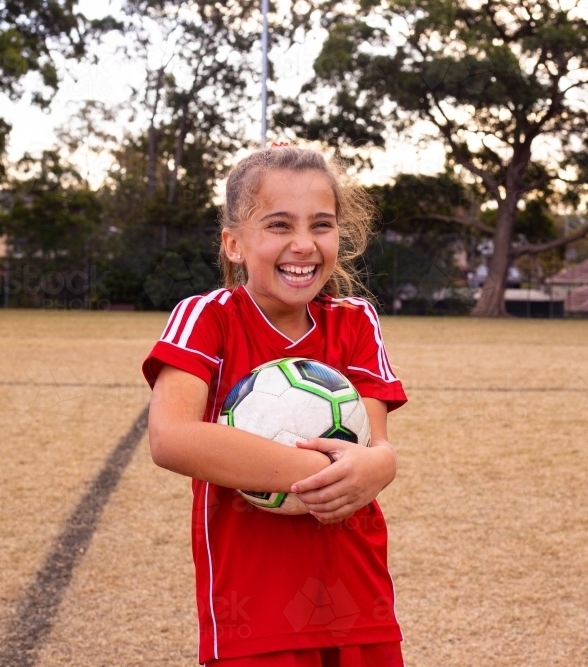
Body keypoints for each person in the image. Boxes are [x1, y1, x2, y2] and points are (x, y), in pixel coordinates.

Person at [142, 144, 408, 667]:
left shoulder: (355, 320)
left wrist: (383, 463)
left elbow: (374, 446)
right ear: (234, 244)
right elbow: (170, 438)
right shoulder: (207, 318)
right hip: (253, 611)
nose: (304, 244)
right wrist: (323, 471)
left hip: (358, 595)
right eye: (279, 225)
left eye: (322, 225)